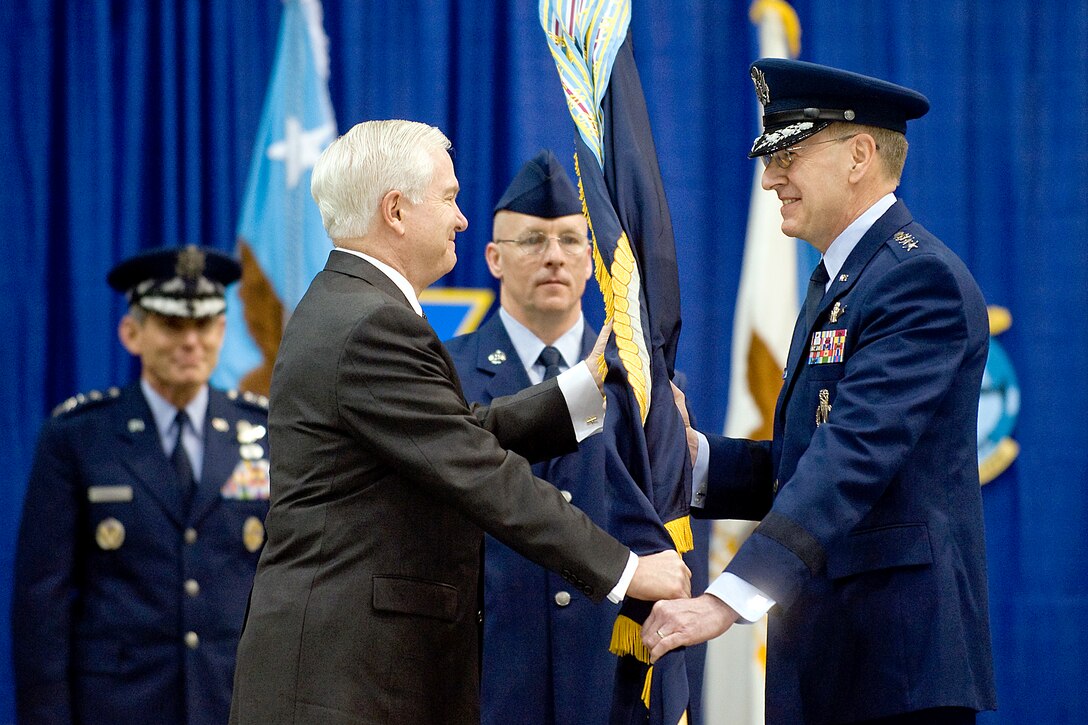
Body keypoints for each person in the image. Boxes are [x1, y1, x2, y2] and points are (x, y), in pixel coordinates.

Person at [228, 120, 691, 725]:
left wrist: (587, 386)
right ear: (395, 210)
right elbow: (477, 469)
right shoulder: (372, 323)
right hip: (345, 685)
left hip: (354, 675)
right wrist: (626, 568)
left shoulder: (352, 305)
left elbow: (457, 434)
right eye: (448, 197)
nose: (462, 218)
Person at [643, 59, 998, 725]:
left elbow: (852, 458)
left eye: (791, 153)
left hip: (894, 667)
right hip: (832, 654)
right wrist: (691, 457)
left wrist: (726, 599)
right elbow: (810, 456)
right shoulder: (842, 281)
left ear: (860, 154)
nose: (772, 176)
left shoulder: (917, 281)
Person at [445, 150, 704, 724]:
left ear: (594, 260)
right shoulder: (446, 377)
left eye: (570, 241)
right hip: (484, 679)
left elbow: (678, 552)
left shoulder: (644, 388)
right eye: (532, 241)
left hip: (610, 678)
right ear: (493, 257)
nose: (554, 257)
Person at [13, 246, 271, 725]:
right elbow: (42, 598)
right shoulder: (79, 436)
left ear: (222, 331)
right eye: (173, 326)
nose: (191, 342)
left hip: (232, 703)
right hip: (118, 705)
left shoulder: (263, 432)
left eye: (205, 325)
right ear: (132, 334)